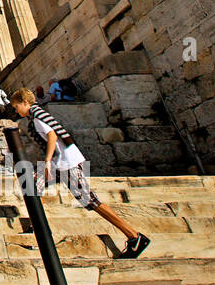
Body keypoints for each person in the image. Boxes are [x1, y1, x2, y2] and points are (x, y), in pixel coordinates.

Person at [9, 88, 150, 258]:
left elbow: (52, 136)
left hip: (66, 163)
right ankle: (36, 225)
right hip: (60, 162)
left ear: (25, 102)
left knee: (89, 200)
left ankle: (134, 236)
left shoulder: (37, 117)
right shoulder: (39, 114)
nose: (16, 111)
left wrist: (46, 161)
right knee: (31, 184)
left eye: (16, 106)